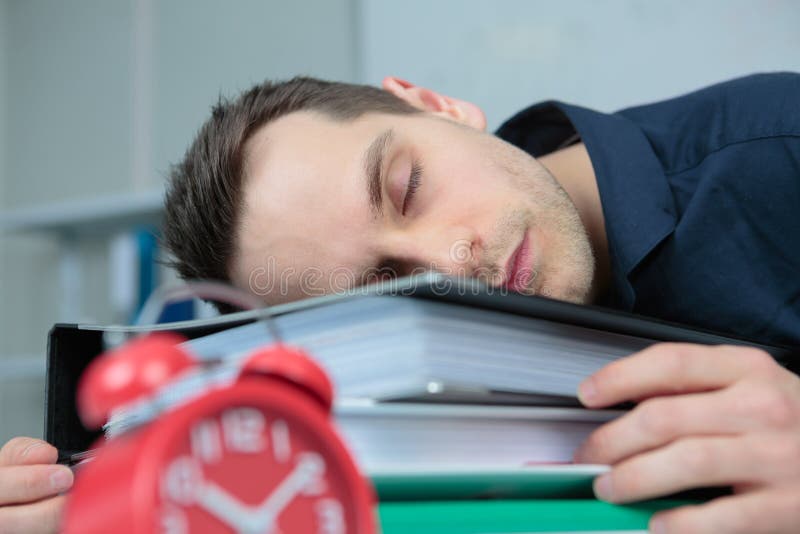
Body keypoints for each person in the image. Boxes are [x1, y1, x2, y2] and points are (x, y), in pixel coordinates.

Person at [3, 73, 799, 533]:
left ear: (436, 103)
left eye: (407, 187)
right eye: (387, 290)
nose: (454, 264)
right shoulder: (391, 408)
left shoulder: (779, 155)